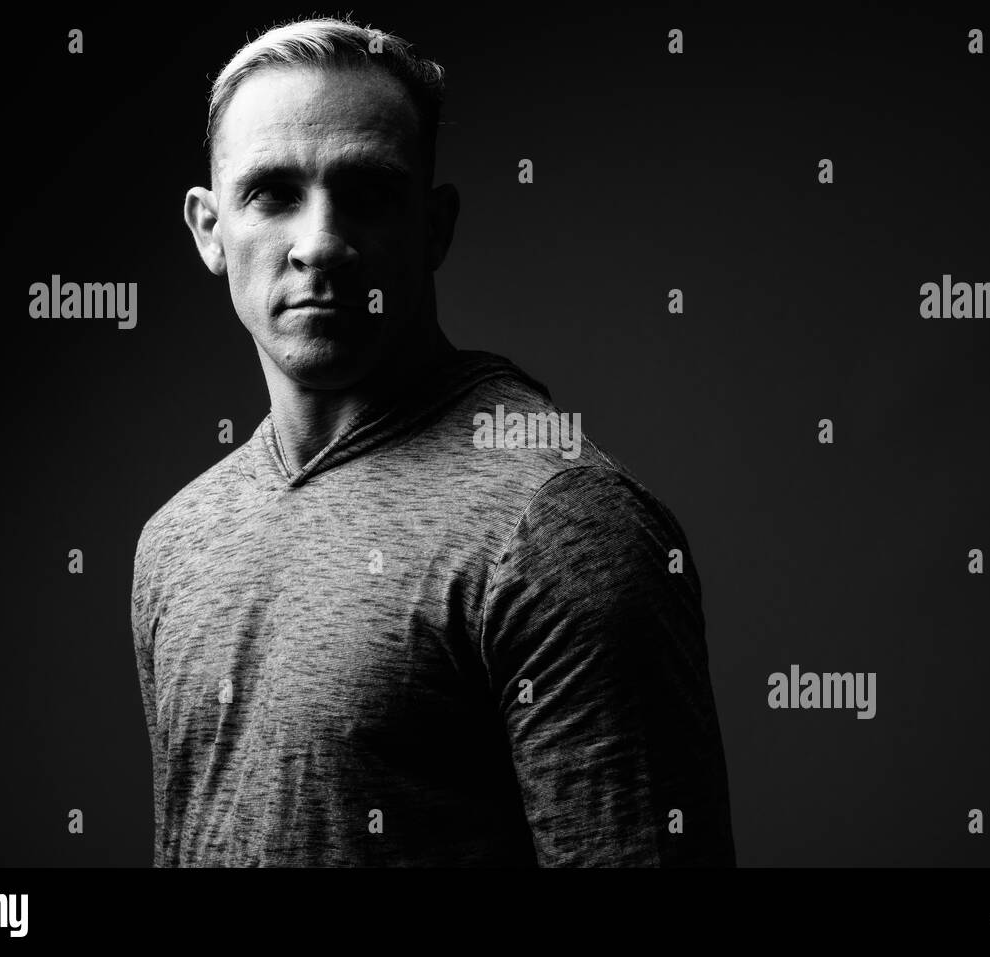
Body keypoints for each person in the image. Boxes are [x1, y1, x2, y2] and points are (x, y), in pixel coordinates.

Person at [131, 15, 735, 866]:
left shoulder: (558, 526)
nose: (320, 244)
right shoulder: (176, 540)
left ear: (434, 226)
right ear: (209, 229)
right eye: (271, 193)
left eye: (369, 192)